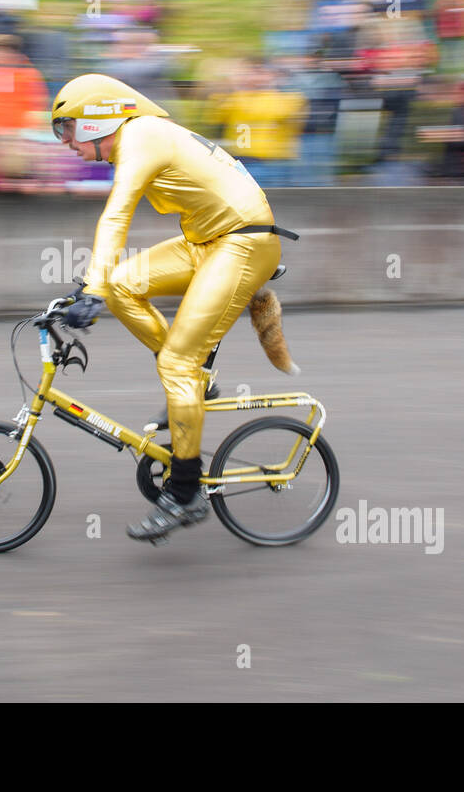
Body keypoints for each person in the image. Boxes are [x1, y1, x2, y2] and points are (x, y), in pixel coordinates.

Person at [51, 73, 299, 543]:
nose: (64, 141)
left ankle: (185, 492)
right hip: (208, 242)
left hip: (242, 245)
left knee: (175, 363)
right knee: (124, 284)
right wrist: (94, 288)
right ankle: (197, 382)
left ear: (96, 119)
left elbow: (117, 214)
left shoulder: (140, 135)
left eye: (66, 128)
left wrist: (91, 290)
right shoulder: (139, 138)